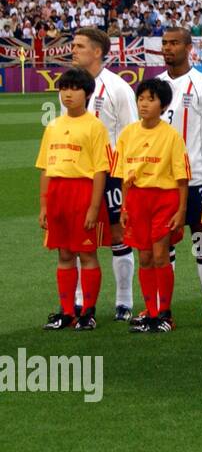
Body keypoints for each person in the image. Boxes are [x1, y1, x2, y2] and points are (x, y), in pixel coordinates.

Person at [66, 26, 138, 323]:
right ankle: (82, 299)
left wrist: (124, 177)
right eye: (74, 45)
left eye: (80, 46)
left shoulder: (117, 88)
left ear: (97, 52)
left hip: (110, 172)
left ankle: (124, 301)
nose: (74, 50)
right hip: (79, 173)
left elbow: (130, 133)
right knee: (81, 236)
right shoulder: (70, 88)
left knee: (119, 234)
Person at [159, 27, 202, 327]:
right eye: (164, 43)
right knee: (163, 246)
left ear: (189, 48)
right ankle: (162, 307)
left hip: (197, 180)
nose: (168, 48)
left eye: (174, 43)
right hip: (161, 183)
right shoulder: (155, 86)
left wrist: (196, 164)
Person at [114, 78, 191, 334]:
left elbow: (182, 179)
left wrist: (180, 211)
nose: (144, 104)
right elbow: (124, 175)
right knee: (144, 257)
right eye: (141, 99)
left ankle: (165, 314)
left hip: (164, 199)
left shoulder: (171, 136)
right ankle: (151, 312)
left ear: (164, 105)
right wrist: (124, 208)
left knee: (160, 256)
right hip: (137, 200)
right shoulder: (128, 134)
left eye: (151, 99)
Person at [37, 68, 110, 331]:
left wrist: (93, 207)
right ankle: (67, 312)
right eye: (63, 88)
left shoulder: (95, 126)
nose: (67, 93)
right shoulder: (54, 125)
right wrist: (44, 205)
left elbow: (101, 169)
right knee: (64, 253)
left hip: (82, 192)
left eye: (74, 88)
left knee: (87, 253)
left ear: (87, 93)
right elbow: (45, 167)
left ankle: (88, 312)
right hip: (57, 193)